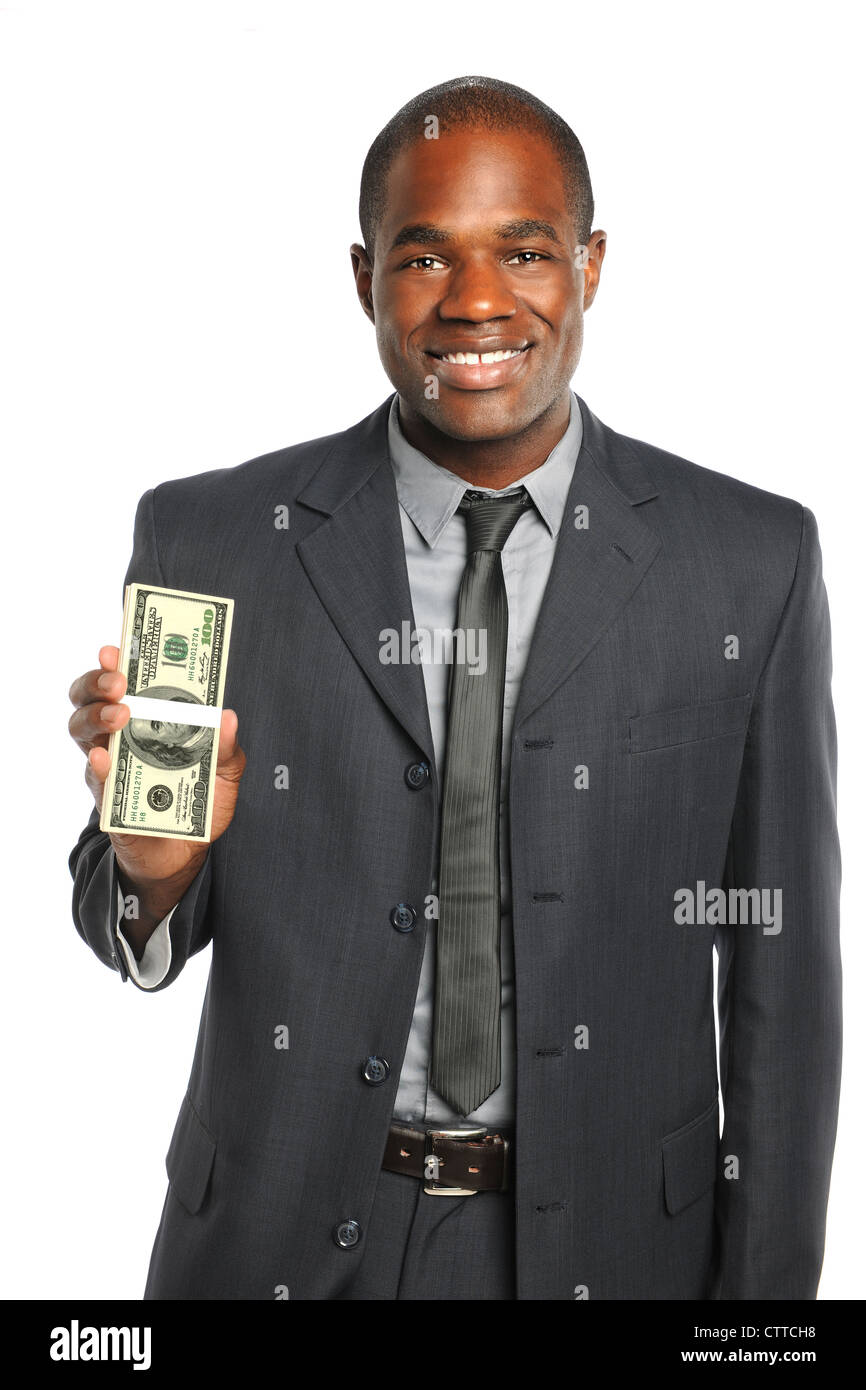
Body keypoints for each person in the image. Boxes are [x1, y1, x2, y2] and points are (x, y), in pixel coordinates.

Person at [67, 75, 842, 1300]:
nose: (477, 301)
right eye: (424, 258)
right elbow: (132, 902)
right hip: (274, 1240)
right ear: (362, 274)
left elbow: (778, 984)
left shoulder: (748, 561)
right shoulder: (213, 540)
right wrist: (160, 870)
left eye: (524, 251)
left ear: (588, 264)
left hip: (616, 1252)